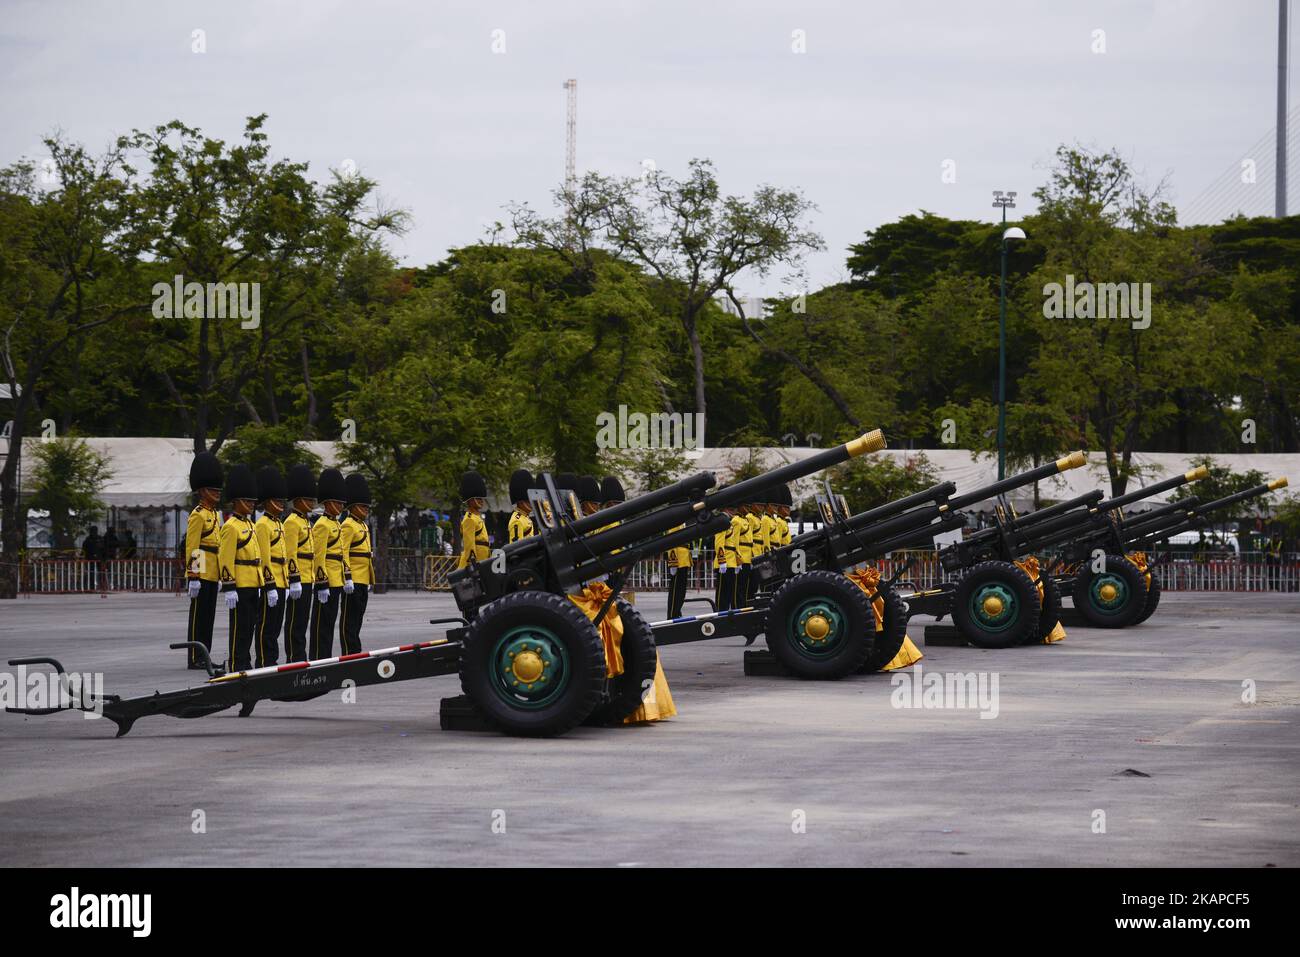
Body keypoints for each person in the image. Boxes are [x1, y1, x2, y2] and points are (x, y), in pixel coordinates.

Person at [218, 464, 263, 672]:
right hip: (240, 583)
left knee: (250, 627)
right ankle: (237, 663)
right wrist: (229, 586)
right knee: (239, 628)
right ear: (236, 502)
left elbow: (258, 557)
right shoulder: (230, 526)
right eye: (248, 501)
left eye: (253, 501)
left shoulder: (251, 525)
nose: (252, 505)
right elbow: (225, 558)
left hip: (253, 581)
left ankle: (245, 661)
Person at [183, 453, 223, 668]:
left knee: (208, 619)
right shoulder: (198, 515)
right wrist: (194, 575)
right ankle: (193, 657)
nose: (217, 493)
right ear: (202, 491)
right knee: (198, 619)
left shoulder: (215, 515)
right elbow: (193, 546)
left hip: (213, 572)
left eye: (218, 490)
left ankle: (204, 656)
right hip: (201, 573)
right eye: (213, 490)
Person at [309, 468, 348, 659]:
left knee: (330, 622)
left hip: (337, 579)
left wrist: (345, 576)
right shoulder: (322, 524)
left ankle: (326, 656)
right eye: (337, 502)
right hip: (327, 581)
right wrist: (322, 582)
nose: (341, 506)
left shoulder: (336, 523)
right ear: (327, 502)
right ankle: (319, 657)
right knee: (321, 624)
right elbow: (318, 556)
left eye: (342, 503)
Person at [253, 466, 289, 668]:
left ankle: (272, 658)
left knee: (276, 625)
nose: (281, 503)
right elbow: (265, 558)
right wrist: (269, 584)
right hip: (272, 580)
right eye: (277, 499)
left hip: (282, 578)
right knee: (266, 625)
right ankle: (264, 660)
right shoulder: (263, 524)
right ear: (267, 501)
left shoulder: (279, 523)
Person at [281, 464, 316, 662]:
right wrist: (293, 578)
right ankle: (294, 656)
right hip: (298, 578)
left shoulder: (305, 521)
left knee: (303, 620)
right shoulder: (292, 522)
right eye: (309, 499)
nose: (312, 502)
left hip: (308, 576)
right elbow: (290, 554)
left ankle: (300, 654)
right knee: (294, 621)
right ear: (299, 499)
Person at [338, 473, 375, 655]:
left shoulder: (363, 525)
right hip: (352, 579)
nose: (366, 509)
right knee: (349, 621)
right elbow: (342, 551)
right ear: (353, 506)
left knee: (358, 618)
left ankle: (355, 649)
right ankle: (349, 651)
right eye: (363, 506)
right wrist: (347, 576)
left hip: (363, 578)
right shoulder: (348, 525)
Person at [457, 471, 491, 568]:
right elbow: (469, 545)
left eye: (481, 498)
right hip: (473, 565)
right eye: (477, 498)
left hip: (482, 560)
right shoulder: (469, 519)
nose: (481, 501)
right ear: (470, 500)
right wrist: (472, 564)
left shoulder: (477, 517)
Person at [507, 469, 534, 542]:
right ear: (520, 502)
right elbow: (517, 548)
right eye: (527, 500)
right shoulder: (517, 520)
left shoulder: (525, 517)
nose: (531, 503)